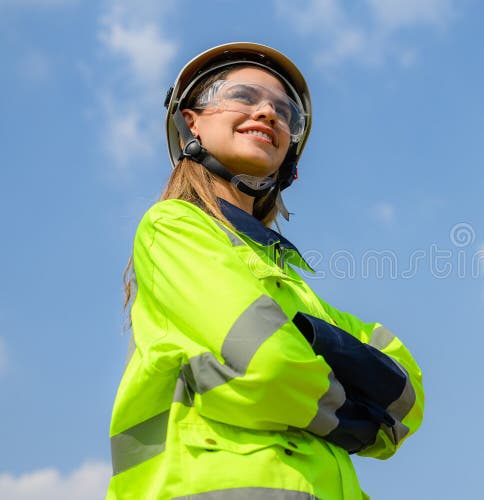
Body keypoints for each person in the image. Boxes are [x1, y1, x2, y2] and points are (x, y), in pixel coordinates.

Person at [107, 42, 425, 500]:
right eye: (242, 95)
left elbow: (407, 399)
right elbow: (271, 365)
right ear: (190, 121)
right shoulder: (173, 228)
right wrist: (357, 409)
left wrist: (300, 374)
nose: (267, 113)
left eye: (285, 111)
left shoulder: (293, 287)